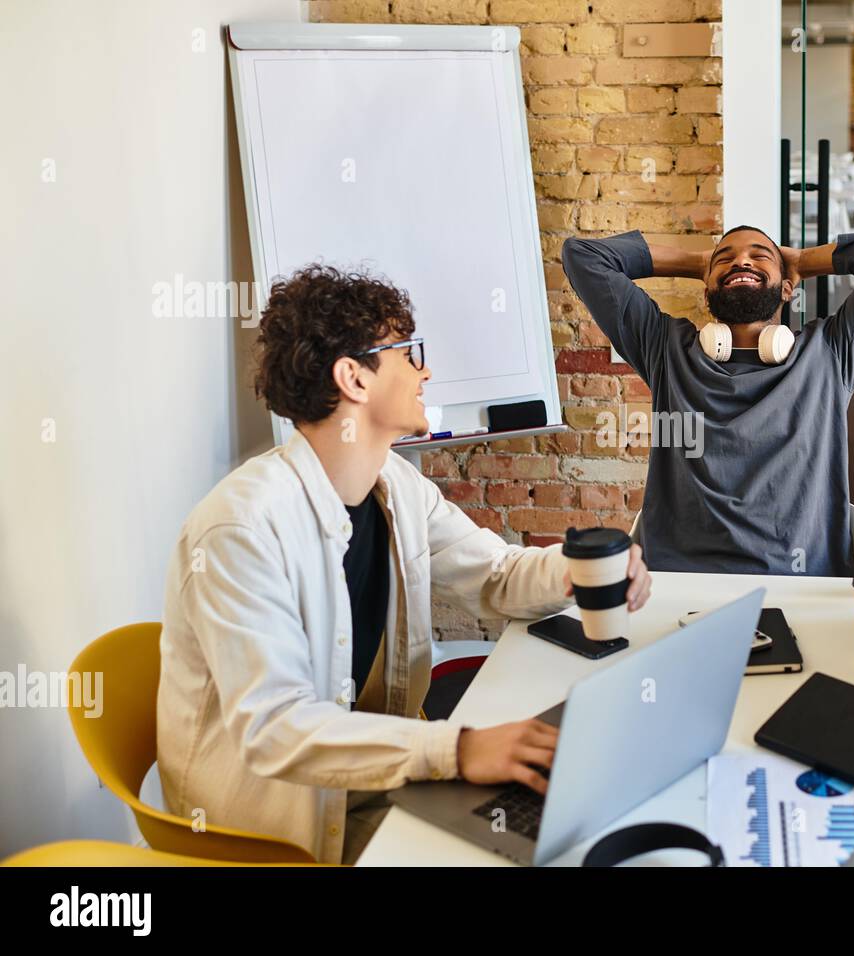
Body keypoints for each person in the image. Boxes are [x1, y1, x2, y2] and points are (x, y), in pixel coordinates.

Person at [156, 264, 651, 864]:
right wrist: (458, 751)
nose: (427, 371)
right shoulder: (241, 528)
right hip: (284, 829)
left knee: (567, 825)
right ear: (354, 378)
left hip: (371, 786)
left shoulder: (396, 485)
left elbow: (494, 578)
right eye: (409, 354)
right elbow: (275, 727)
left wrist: (579, 570)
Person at [562, 224, 854, 576]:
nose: (741, 261)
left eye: (760, 256)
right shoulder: (665, 350)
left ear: (788, 288)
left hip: (801, 585)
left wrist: (805, 262)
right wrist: (697, 263)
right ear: (706, 290)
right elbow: (582, 256)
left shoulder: (830, 352)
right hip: (681, 585)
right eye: (725, 258)